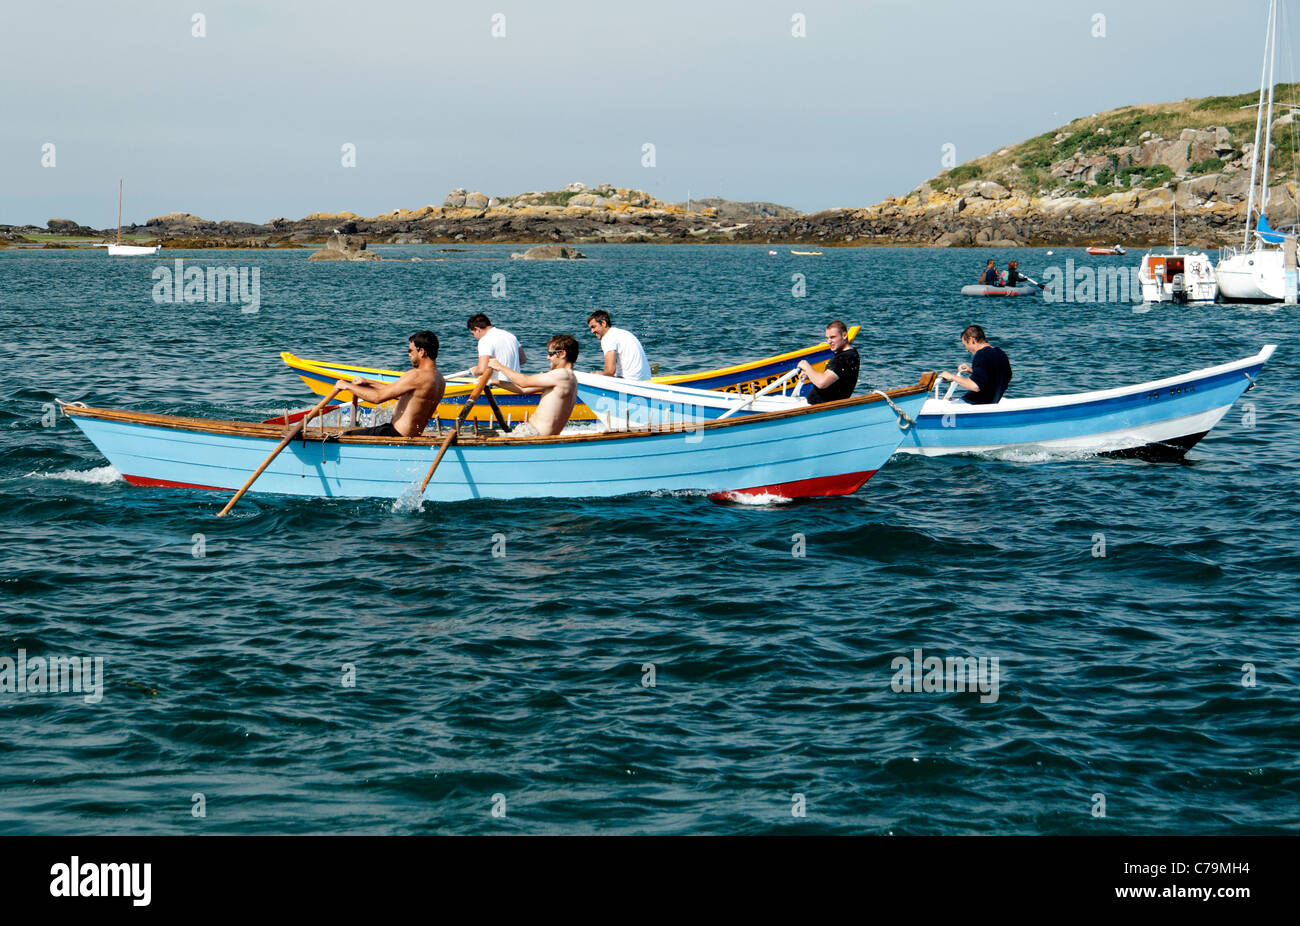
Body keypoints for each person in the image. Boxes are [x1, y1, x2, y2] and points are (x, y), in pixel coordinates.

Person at [334, 331, 446, 437]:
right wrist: (368, 382)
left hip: (395, 434)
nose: (409, 355)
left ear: (421, 352)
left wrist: (346, 385)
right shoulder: (440, 380)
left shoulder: (416, 375)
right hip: (412, 435)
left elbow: (377, 398)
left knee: (343, 436)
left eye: (410, 351)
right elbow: (403, 396)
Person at [486, 335, 579, 436]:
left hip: (533, 434)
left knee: (483, 435)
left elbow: (524, 382)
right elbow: (523, 389)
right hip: (533, 432)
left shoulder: (562, 375)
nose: (547, 358)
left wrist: (499, 366)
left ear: (562, 354)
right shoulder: (569, 378)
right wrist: (495, 382)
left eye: (550, 354)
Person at [938, 325, 1012, 405]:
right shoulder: (1001, 354)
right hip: (992, 403)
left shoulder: (981, 355)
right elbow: (998, 377)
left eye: (965, 345)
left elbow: (975, 386)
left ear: (971, 340)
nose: (967, 350)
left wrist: (952, 376)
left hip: (975, 403)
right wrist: (972, 371)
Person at [796, 320, 860, 405]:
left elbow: (822, 383)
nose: (829, 341)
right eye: (827, 338)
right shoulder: (850, 354)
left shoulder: (844, 358)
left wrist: (806, 366)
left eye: (833, 337)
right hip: (815, 406)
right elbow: (833, 381)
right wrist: (809, 376)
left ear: (844, 335)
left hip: (821, 410)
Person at [586, 310, 651, 381]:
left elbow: (610, 372)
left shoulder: (608, 338)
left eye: (594, 327)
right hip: (646, 379)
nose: (592, 331)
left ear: (603, 323)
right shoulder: (623, 333)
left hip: (631, 382)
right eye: (590, 328)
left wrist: (597, 374)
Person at [467, 313, 525, 383]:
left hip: (498, 386)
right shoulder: (510, 336)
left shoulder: (485, 340)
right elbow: (522, 360)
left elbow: (482, 370)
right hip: (518, 385)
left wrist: (475, 370)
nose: (475, 337)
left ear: (477, 329)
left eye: (473, 334)